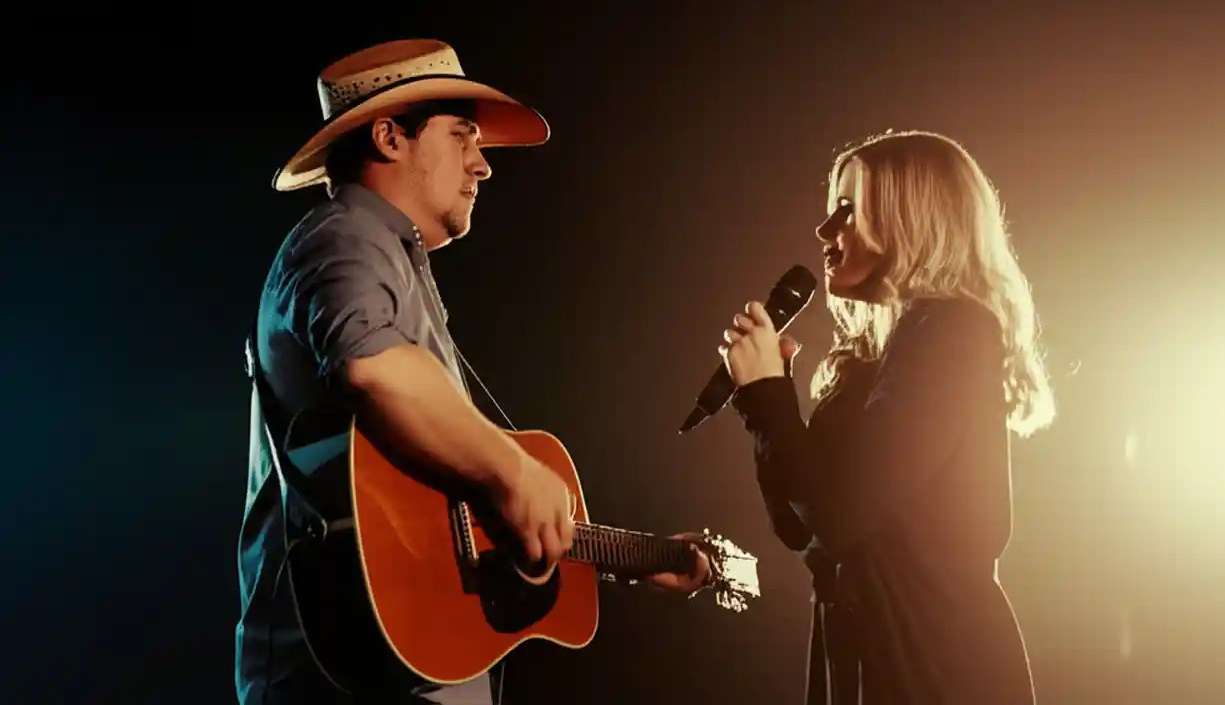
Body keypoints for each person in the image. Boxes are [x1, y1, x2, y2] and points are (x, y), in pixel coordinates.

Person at [235, 39, 708, 705]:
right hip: (347, 672)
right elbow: (372, 367)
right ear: (389, 137)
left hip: (398, 667)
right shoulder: (345, 238)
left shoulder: (391, 259)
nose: (482, 166)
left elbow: (437, 505)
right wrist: (514, 471)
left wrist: (624, 556)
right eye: (462, 137)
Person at [718, 130, 1056, 704]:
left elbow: (843, 512)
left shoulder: (952, 331)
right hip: (861, 663)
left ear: (912, 218)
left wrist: (770, 399)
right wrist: (766, 398)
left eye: (848, 212)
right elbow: (805, 529)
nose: (826, 233)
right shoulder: (868, 363)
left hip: (936, 666)